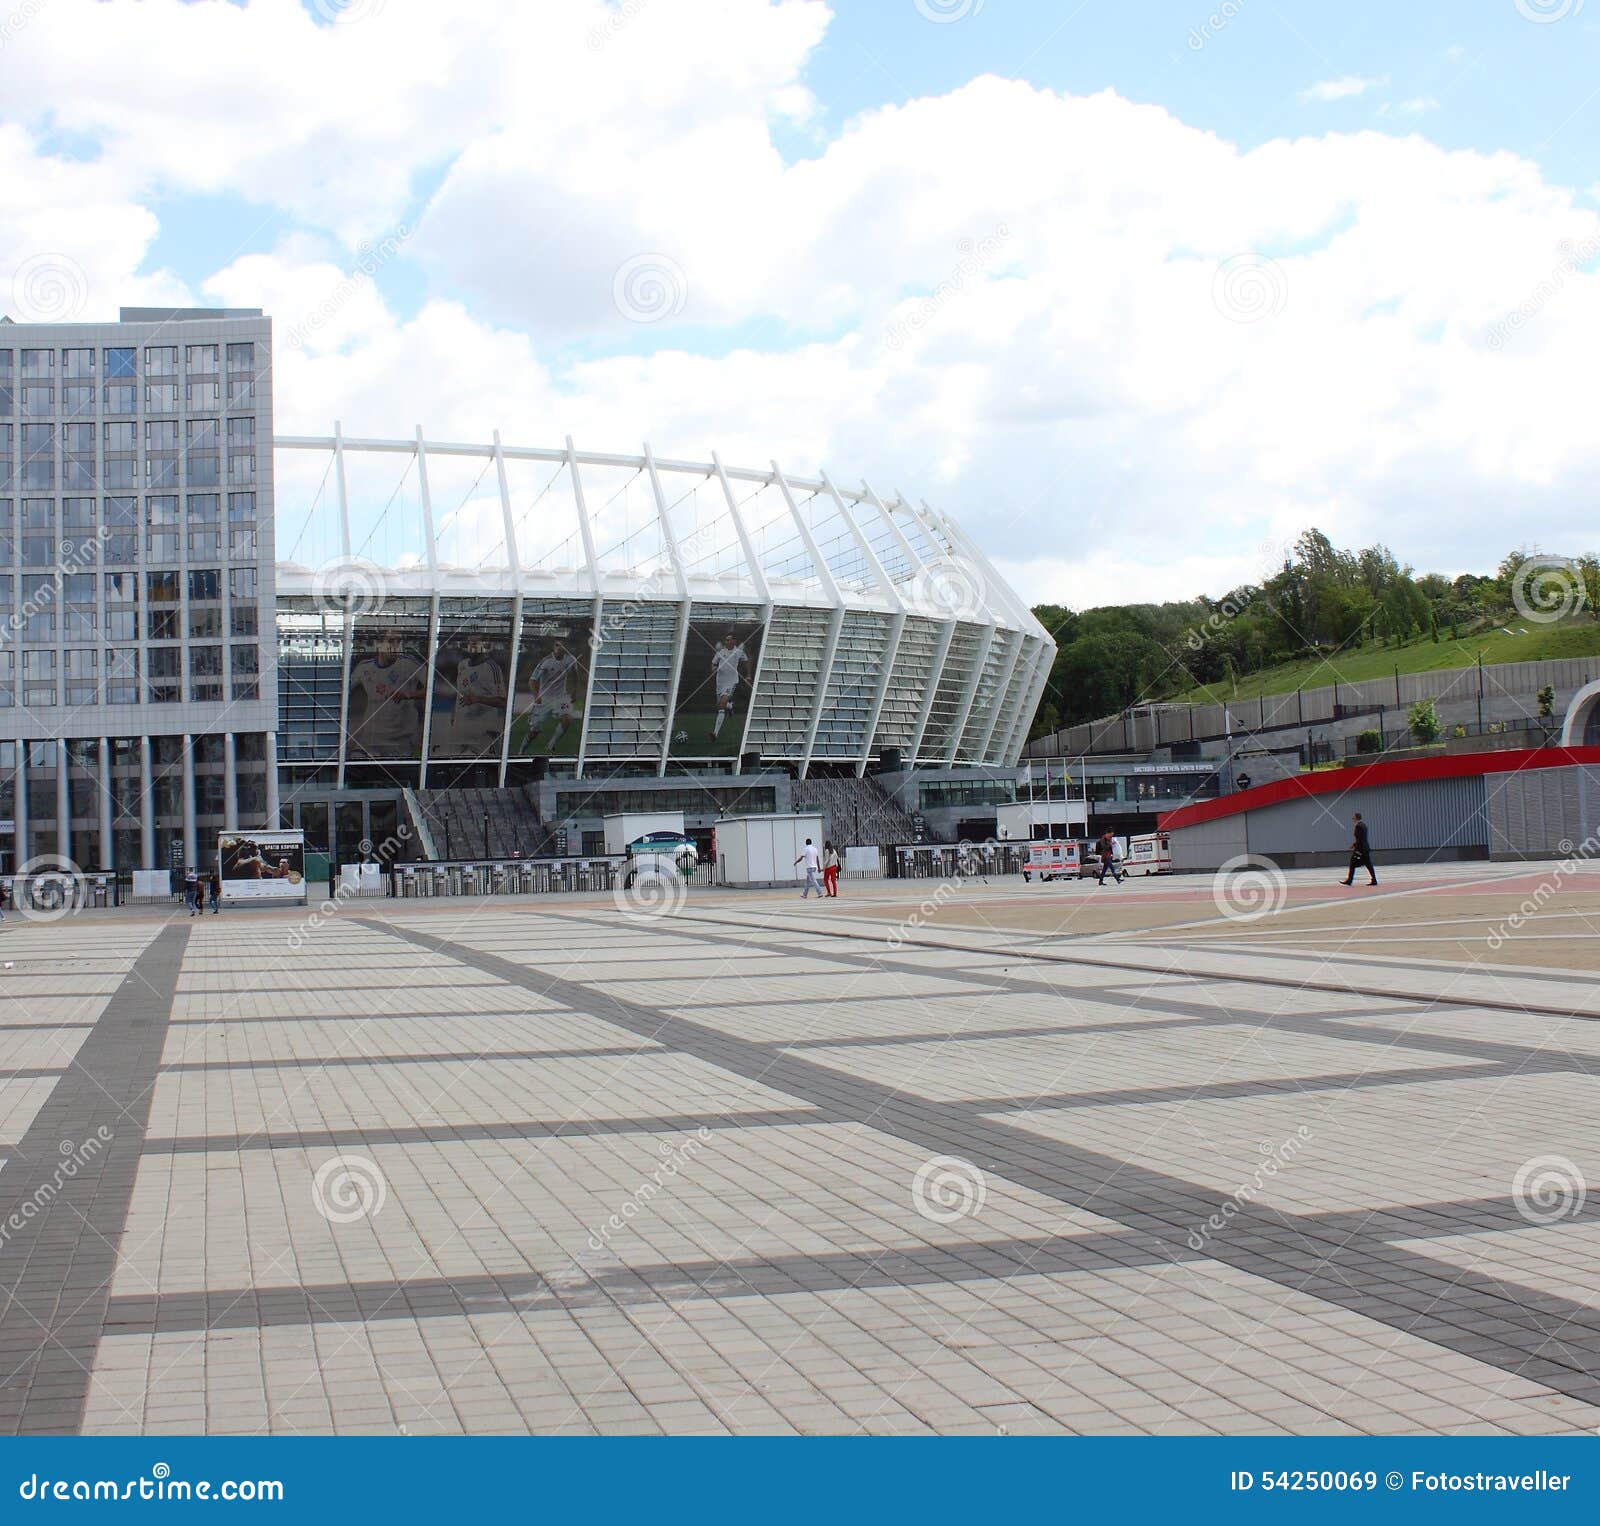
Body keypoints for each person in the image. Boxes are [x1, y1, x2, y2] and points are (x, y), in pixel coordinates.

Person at [709, 630, 750, 741]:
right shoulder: (721, 652)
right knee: (720, 704)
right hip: (720, 683)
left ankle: (715, 733)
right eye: (726, 640)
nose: (726, 642)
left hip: (731, 683)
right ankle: (730, 706)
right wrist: (713, 669)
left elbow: (746, 661)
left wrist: (748, 675)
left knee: (721, 705)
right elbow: (713, 664)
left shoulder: (738, 652)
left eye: (728, 639)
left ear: (734, 641)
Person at [1342, 812, 1378, 886]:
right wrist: (1354, 845)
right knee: (1368, 865)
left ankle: (1349, 880)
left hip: (1360, 849)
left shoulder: (1358, 826)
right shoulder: (1364, 825)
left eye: (1353, 817)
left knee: (1352, 863)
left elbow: (1360, 839)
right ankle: (1374, 880)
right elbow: (1362, 838)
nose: (1352, 818)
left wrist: (1356, 848)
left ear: (1356, 818)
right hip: (1365, 848)